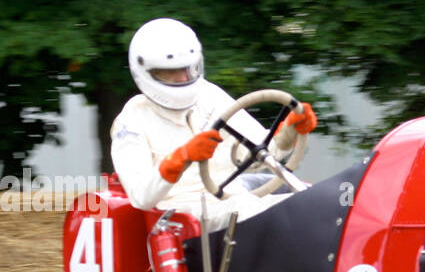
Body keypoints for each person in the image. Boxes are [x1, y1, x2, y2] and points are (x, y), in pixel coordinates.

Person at [110, 18, 318, 231]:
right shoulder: (132, 120)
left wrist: (289, 132)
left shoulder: (210, 95)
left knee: (313, 204)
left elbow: (259, 155)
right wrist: (182, 157)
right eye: (170, 72)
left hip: (232, 200)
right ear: (146, 72)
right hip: (180, 216)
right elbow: (141, 196)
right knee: (255, 211)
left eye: (188, 69)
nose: (183, 77)